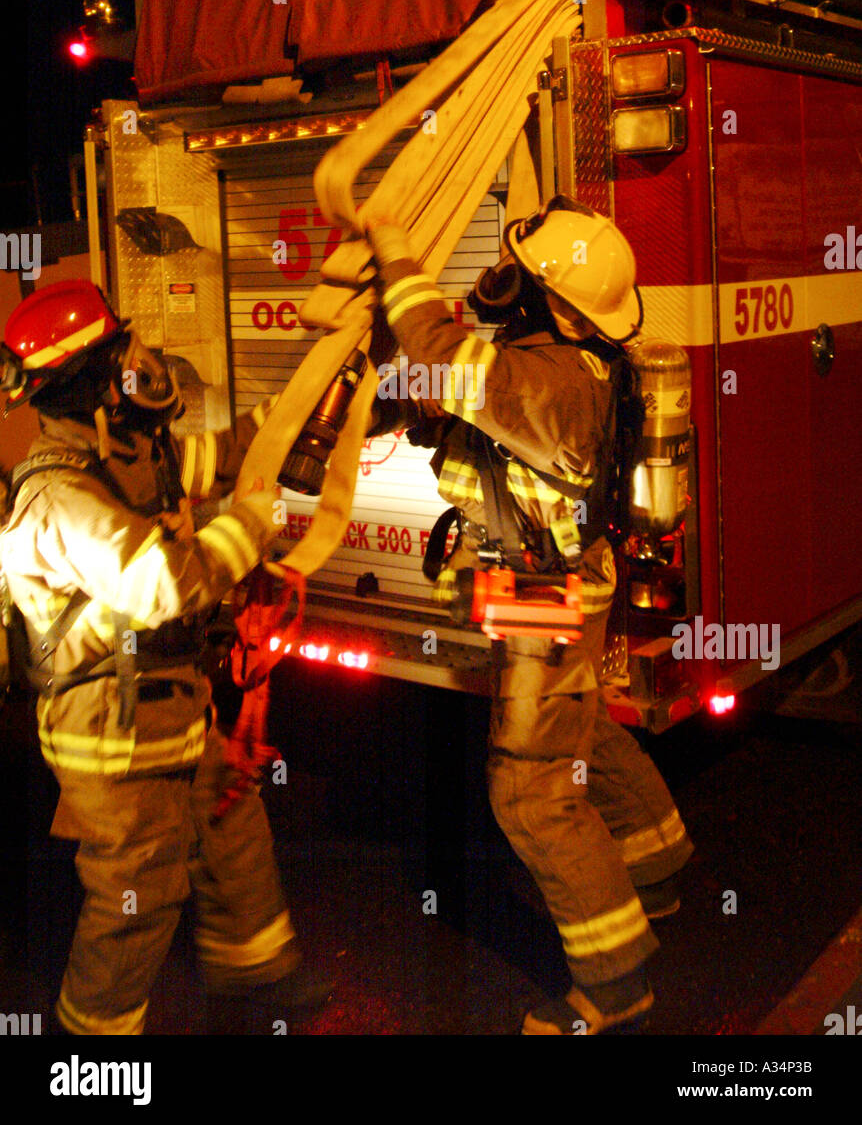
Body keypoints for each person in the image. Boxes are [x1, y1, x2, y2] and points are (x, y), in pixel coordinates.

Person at [365, 198, 693, 1035]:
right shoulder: (558, 360)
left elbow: (451, 368)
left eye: (519, 271)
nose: (500, 281)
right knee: (583, 730)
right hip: (562, 579)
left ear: (548, 293)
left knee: (532, 791)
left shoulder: (547, 381)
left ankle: (615, 990)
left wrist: (400, 261)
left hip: (546, 593)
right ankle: (656, 868)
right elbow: (450, 391)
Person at [0, 279, 331, 1035]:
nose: (140, 367)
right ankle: (93, 1046)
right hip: (110, 737)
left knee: (230, 821)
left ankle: (255, 963)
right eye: (123, 356)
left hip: (167, 709)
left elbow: (229, 451)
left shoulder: (130, 454)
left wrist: (315, 403)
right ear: (94, 385)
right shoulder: (60, 499)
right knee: (137, 891)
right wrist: (250, 526)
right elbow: (163, 583)